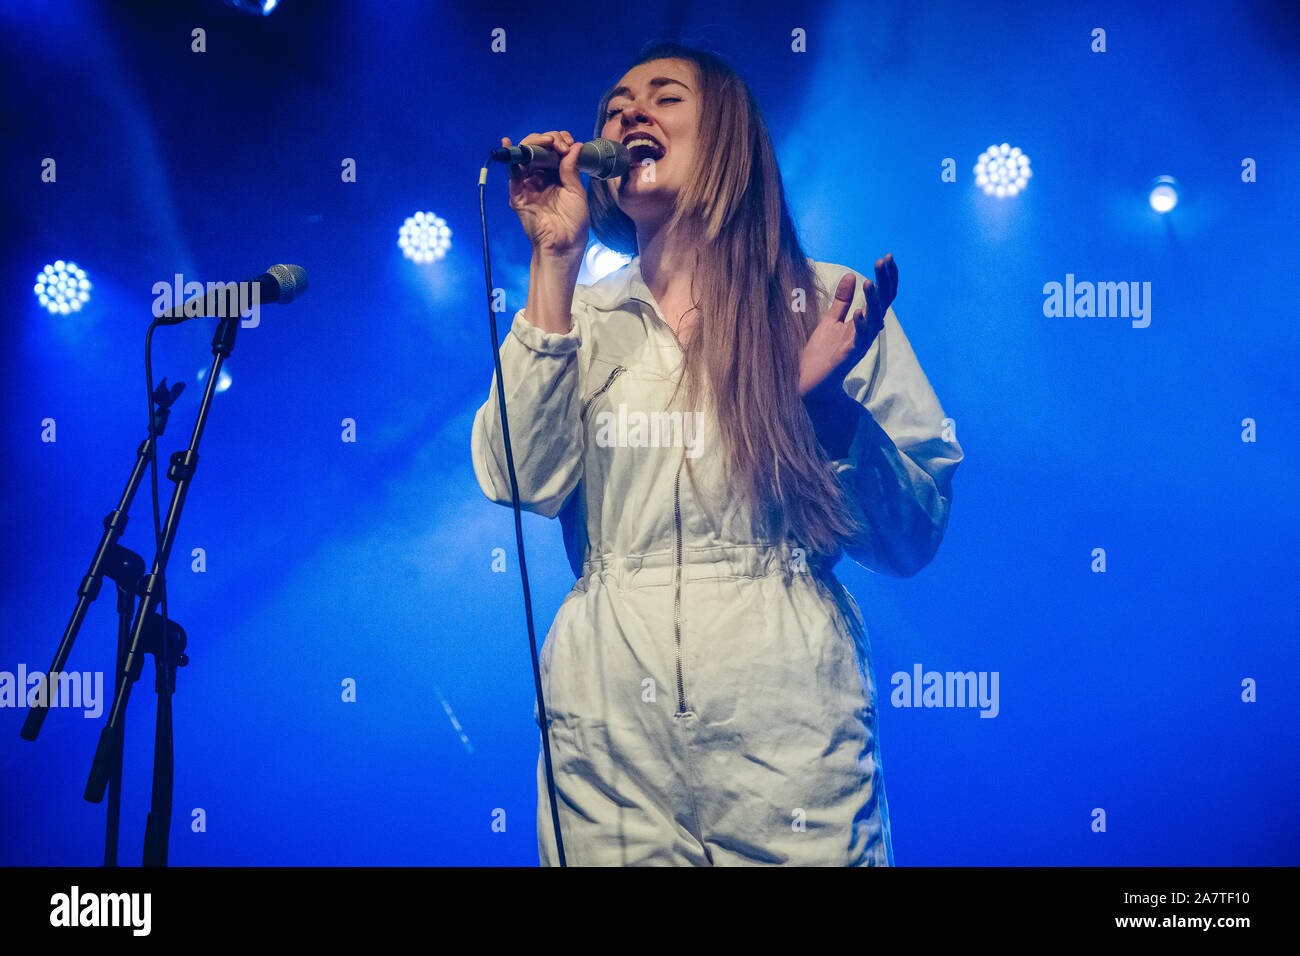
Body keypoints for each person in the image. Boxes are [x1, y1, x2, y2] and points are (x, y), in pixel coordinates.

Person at [471, 40, 963, 866]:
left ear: (729, 136)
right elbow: (521, 478)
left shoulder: (825, 302)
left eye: (664, 98)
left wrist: (826, 409)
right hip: (606, 721)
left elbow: (911, 537)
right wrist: (553, 263)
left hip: (780, 713)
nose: (629, 114)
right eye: (615, 106)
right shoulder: (580, 316)